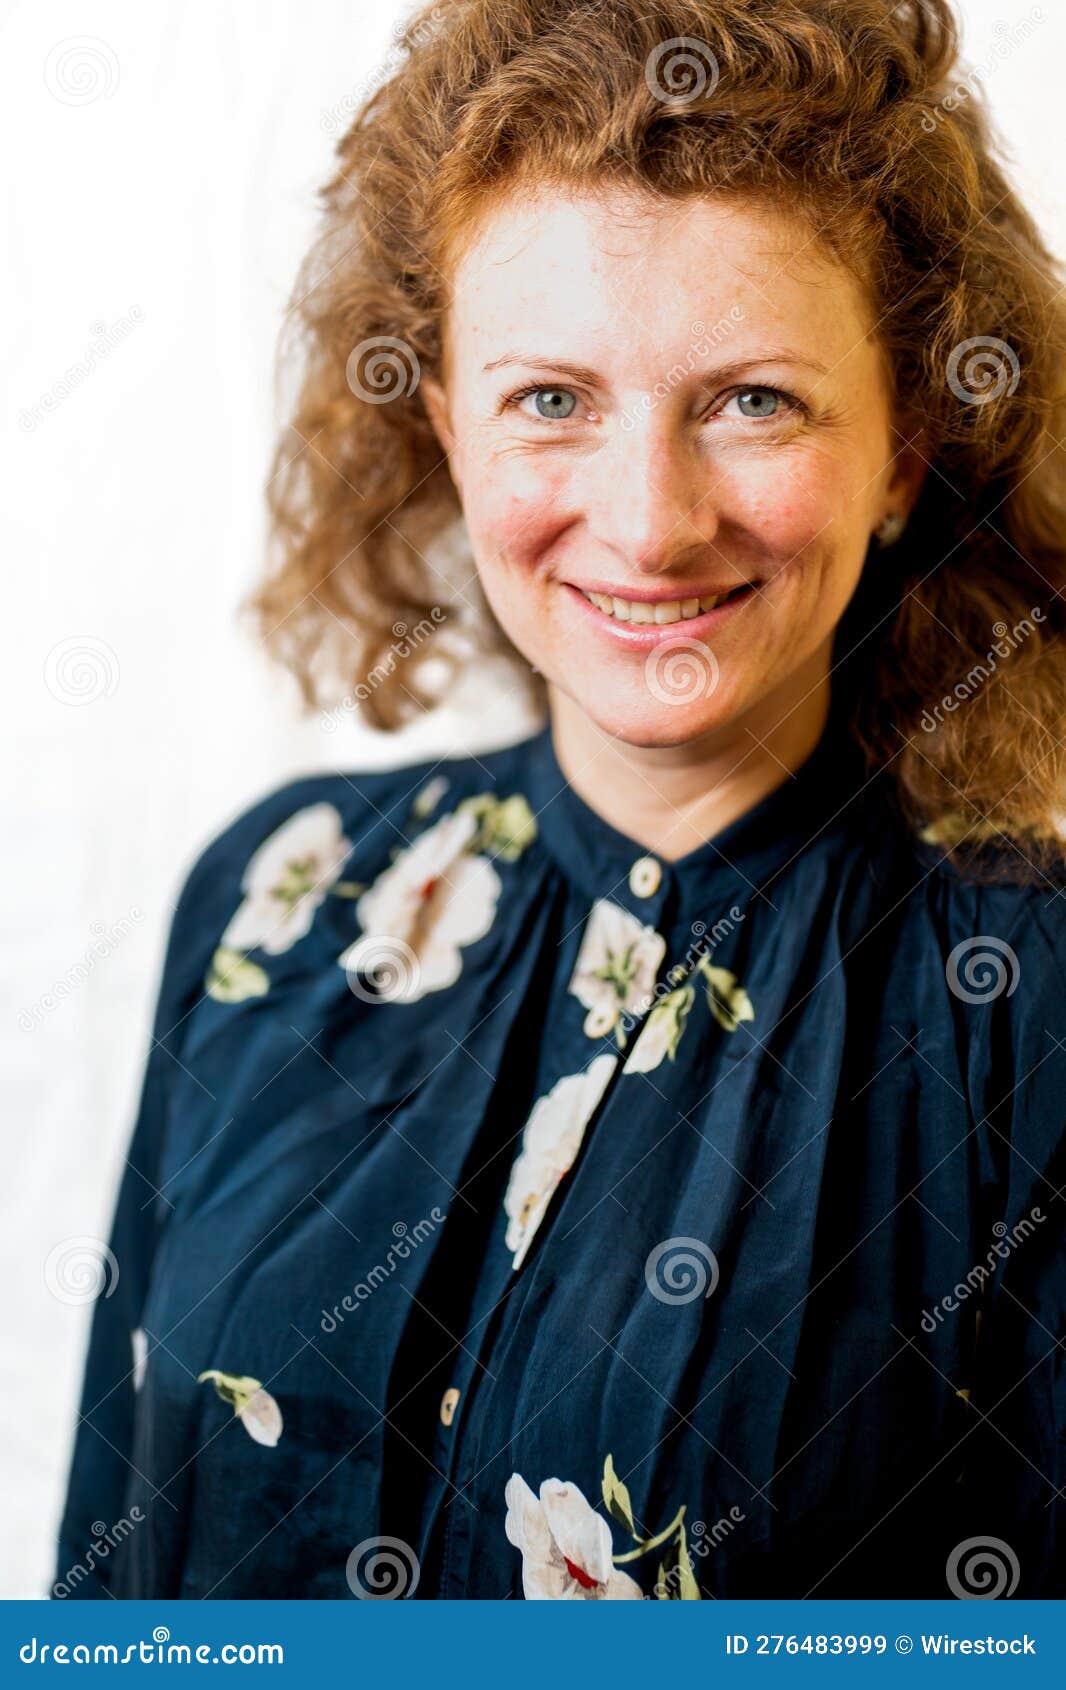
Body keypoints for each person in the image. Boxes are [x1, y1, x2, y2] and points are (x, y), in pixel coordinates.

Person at [56, 0, 1066, 1599]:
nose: (648, 523)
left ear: (901, 446)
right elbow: (110, 1584)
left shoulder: (1026, 1000)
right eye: (549, 399)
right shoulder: (273, 896)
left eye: (752, 399)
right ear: (446, 428)